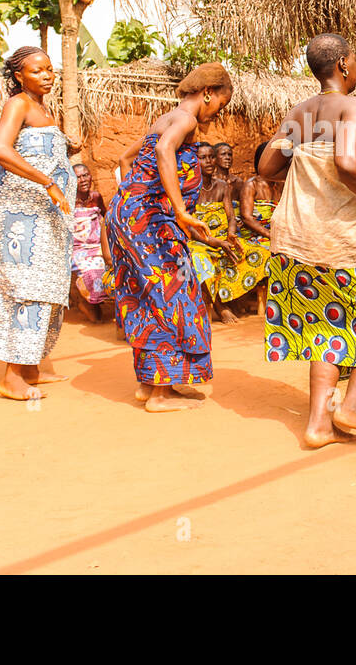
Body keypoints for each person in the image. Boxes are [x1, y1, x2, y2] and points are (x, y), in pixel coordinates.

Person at [260, 32, 356, 449]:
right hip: (344, 239)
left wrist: (299, 142)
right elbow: (347, 162)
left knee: (324, 327)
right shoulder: (351, 104)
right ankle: (353, 405)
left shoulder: (300, 110)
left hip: (297, 240)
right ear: (344, 64)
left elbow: (268, 165)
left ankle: (319, 425)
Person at [107, 63, 234, 412]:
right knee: (173, 294)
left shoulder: (165, 118)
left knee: (148, 296)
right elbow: (164, 151)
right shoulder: (185, 120)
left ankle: (151, 385)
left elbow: (125, 157)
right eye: (219, 106)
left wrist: (133, 195)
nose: (216, 115)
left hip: (131, 215)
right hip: (148, 220)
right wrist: (177, 209)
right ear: (207, 92)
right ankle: (160, 394)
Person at [0, 46, 76, 402]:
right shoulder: (18, 104)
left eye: (50, 69)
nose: (47, 75)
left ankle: (32, 366)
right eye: (37, 71)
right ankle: (11, 376)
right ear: (20, 75)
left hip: (46, 215)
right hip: (22, 215)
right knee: (28, 288)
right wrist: (48, 181)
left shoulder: (43, 108)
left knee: (48, 286)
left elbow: (34, 149)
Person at [217, 143, 277, 308]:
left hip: (277, 233)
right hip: (256, 235)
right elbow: (247, 217)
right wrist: (270, 235)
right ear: (261, 162)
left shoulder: (282, 183)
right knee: (268, 252)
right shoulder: (251, 185)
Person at [187, 152, 242, 323]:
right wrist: (215, 242)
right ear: (194, 162)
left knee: (250, 252)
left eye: (211, 156)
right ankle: (219, 306)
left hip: (221, 235)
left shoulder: (222, 186)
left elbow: (231, 216)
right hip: (197, 240)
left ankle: (233, 299)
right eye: (202, 158)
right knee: (199, 258)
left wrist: (231, 234)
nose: (209, 161)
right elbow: (189, 226)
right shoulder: (188, 188)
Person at [70, 162, 110, 322]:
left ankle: (101, 302)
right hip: (78, 249)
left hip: (97, 246)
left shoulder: (96, 197)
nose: (83, 180)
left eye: (85, 175)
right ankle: (88, 303)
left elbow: (105, 218)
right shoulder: (68, 200)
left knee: (111, 266)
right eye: (78, 177)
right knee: (91, 273)